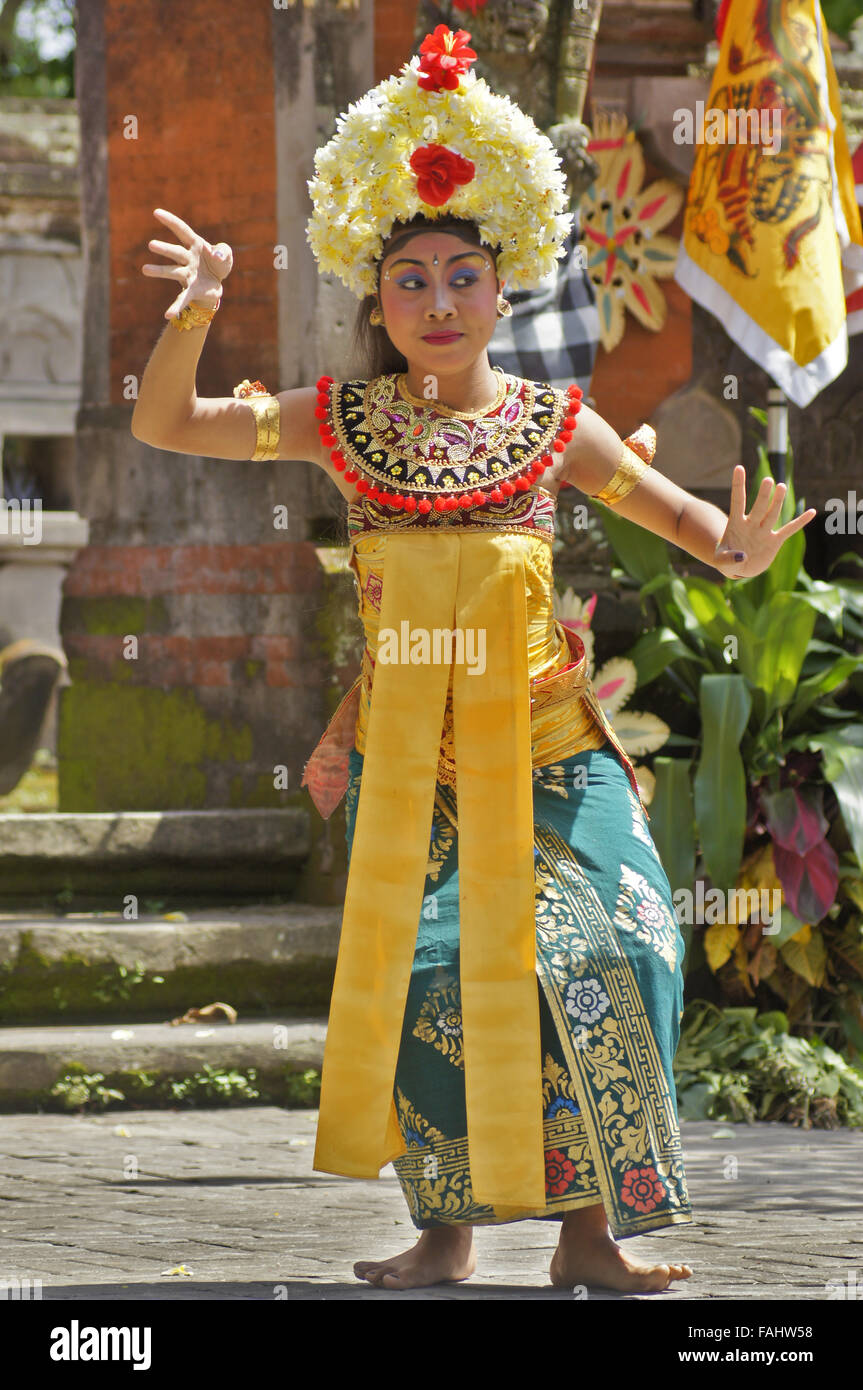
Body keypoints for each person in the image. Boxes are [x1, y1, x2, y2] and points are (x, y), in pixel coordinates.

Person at [131, 22, 816, 1295]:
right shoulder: (337, 423)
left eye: (460, 278)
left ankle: (588, 1242)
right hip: (418, 768)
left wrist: (736, 543)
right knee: (433, 974)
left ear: (501, 294)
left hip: (557, 747)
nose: (436, 304)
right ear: (375, 301)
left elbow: (683, 524)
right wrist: (201, 305)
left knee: (627, 942)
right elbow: (168, 420)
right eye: (408, 282)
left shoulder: (557, 424)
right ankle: (443, 1232)